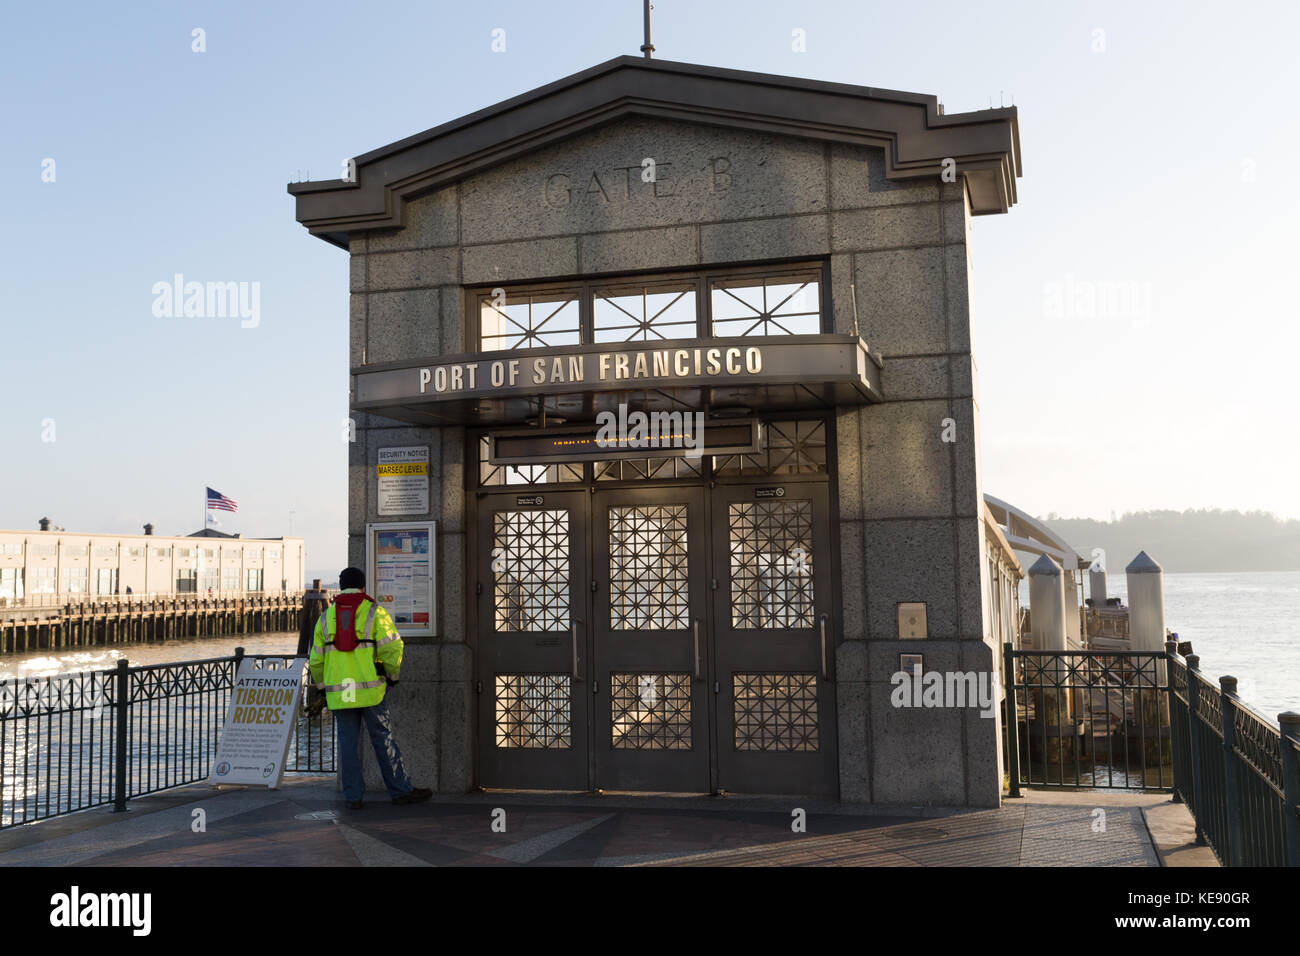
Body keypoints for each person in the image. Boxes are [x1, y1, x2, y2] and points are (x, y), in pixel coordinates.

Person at [309, 567, 432, 809]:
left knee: (347, 744)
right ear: (363, 587)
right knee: (383, 739)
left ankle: (353, 797)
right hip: (371, 690)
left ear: (341, 587)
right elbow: (393, 648)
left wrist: (323, 687)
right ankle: (400, 791)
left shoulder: (325, 618)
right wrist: (392, 675)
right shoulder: (375, 612)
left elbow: (315, 660)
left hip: (340, 693)